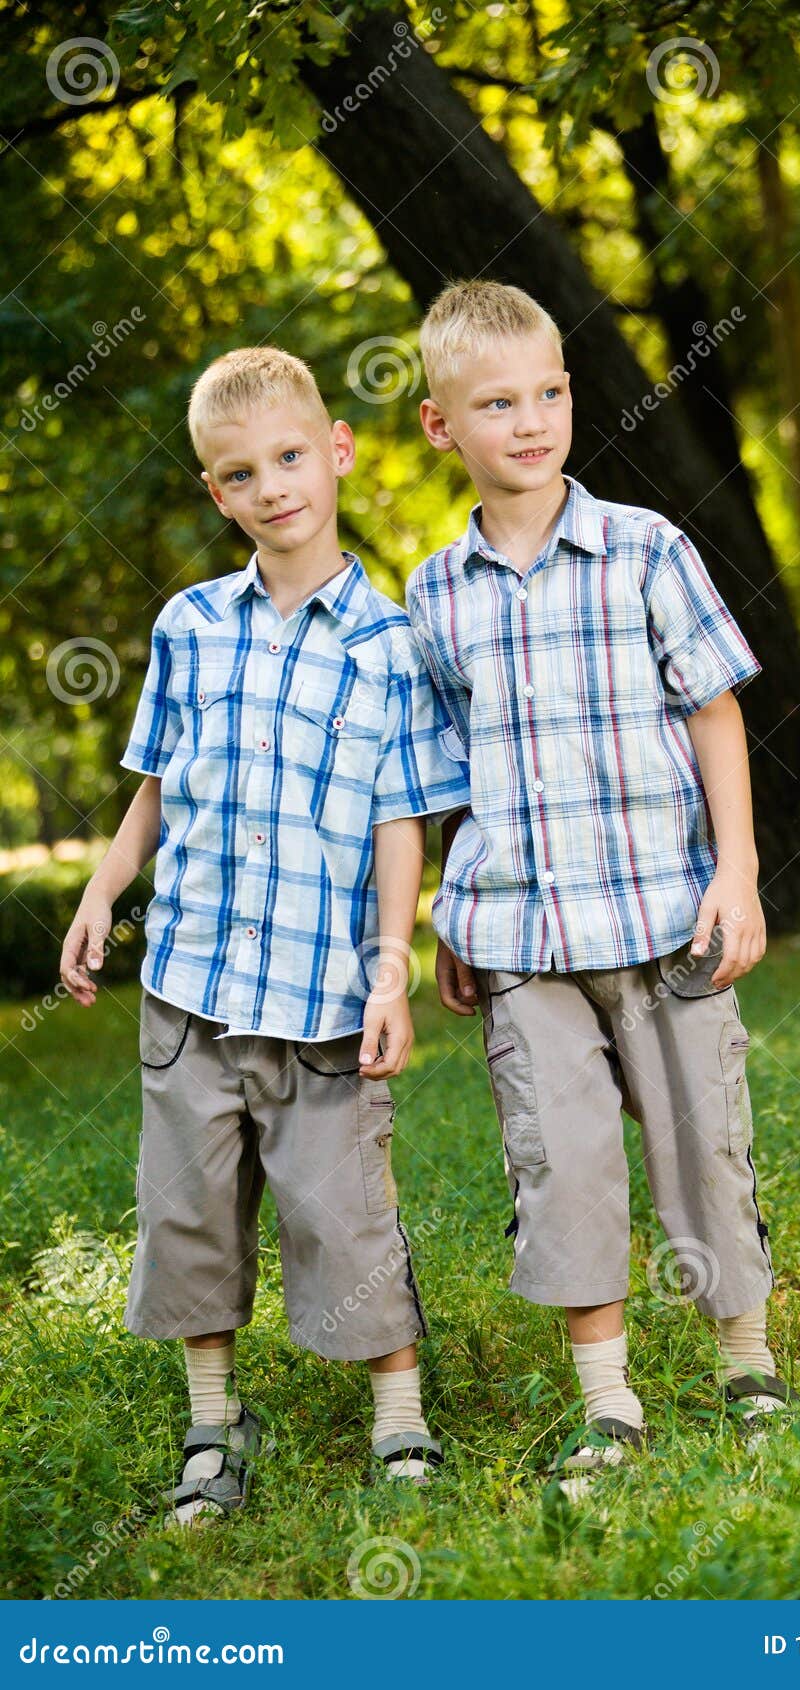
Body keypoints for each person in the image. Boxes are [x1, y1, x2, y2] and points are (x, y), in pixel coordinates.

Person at [59, 346, 470, 1519]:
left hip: (323, 996)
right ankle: (210, 1425)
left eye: (291, 456)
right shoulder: (189, 626)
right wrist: (102, 891)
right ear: (217, 493)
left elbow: (401, 821)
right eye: (241, 472)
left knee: (343, 1209)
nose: (273, 484)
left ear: (335, 450)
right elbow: (155, 782)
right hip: (189, 984)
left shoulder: (390, 646)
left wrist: (390, 972)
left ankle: (400, 1417)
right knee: (189, 1212)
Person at [405, 281, 791, 1474]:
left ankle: (744, 1363)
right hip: (522, 936)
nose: (531, 421)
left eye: (550, 394)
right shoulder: (432, 595)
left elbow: (713, 711)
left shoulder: (643, 548)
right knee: (559, 1157)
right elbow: (441, 778)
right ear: (440, 426)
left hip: (663, 913)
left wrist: (737, 869)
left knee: (700, 1140)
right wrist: (446, 918)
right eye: (497, 403)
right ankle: (608, 1399)